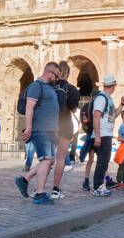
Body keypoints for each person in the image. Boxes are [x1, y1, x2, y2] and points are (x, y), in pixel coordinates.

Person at [15, 62, 61, 203]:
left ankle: (25, 179)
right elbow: (30, 107)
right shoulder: (37, 86)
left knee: (50, 161)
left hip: (50, 130)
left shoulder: (48, 87)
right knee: (46, 160)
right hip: (41, 130)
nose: (57, 78)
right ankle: (40, 194)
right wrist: (28, 127)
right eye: (56, 75)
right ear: (49, 72)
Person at [49, 62, 80, 199]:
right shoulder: (72, 89)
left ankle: (39, 188)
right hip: (65, 124)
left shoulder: (49, 87)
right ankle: (55, 189)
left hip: (49, 125)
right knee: (61, 158)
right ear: (67, 73)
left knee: (46, 159)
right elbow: (73, 108)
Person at [89, 77, 119, 197]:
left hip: (106, 134)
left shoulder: (109, 99)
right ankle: (97, 186)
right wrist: (97, 136)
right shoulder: (101, 98)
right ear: (113, 85)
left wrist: (122, 105)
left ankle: (101, 184)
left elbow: (113, 116)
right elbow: (96, 117)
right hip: (102, 134)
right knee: (102, 162)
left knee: (104, 161)